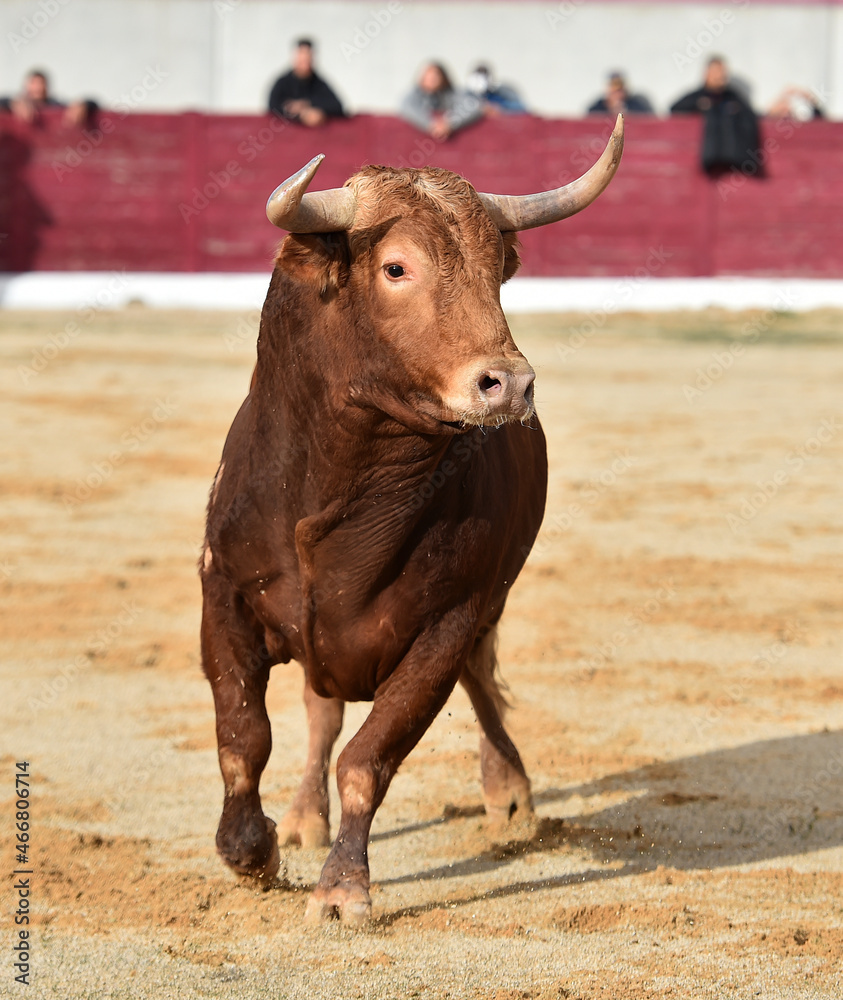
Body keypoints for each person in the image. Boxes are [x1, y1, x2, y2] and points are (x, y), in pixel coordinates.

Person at [670, 57, 762, 177]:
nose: (720, 76)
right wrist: (698, 105)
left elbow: (750, 115)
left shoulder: (733, 96)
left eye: (722, 72)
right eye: (716, 72)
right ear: (706, 74)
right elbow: (675, 108)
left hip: (734, 163)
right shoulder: (697, 96)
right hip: (707, 162)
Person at [268, 39, 345, 126]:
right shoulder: (283, 83)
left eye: (308, 56)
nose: (305, 60)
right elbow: (272, 106)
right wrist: (298, 114)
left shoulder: (319, 83)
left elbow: (337, 106)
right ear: (295, 57)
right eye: (302, 55)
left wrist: (309, 105)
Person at [400, 62, 483, 140]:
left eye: (435, 77)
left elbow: (473, 106)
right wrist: (431, 124)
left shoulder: (452, 94)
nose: (431, 80)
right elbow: (407, 106)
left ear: (443, 78)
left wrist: (449, 123)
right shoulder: (415, 95)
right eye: (428, 77)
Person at [0, 69, 97, 126]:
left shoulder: (54, 105)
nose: (38, 88)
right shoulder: (15, 103)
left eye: (41, 84)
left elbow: (93, 104)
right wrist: (12, 103)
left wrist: (83, 105)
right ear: (26, 86)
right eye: (34, 83)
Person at [587, 71, 653, 115]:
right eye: (614, 91)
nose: (617, 94)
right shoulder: (597, 108)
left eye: (620, 90)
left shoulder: (637, 105)